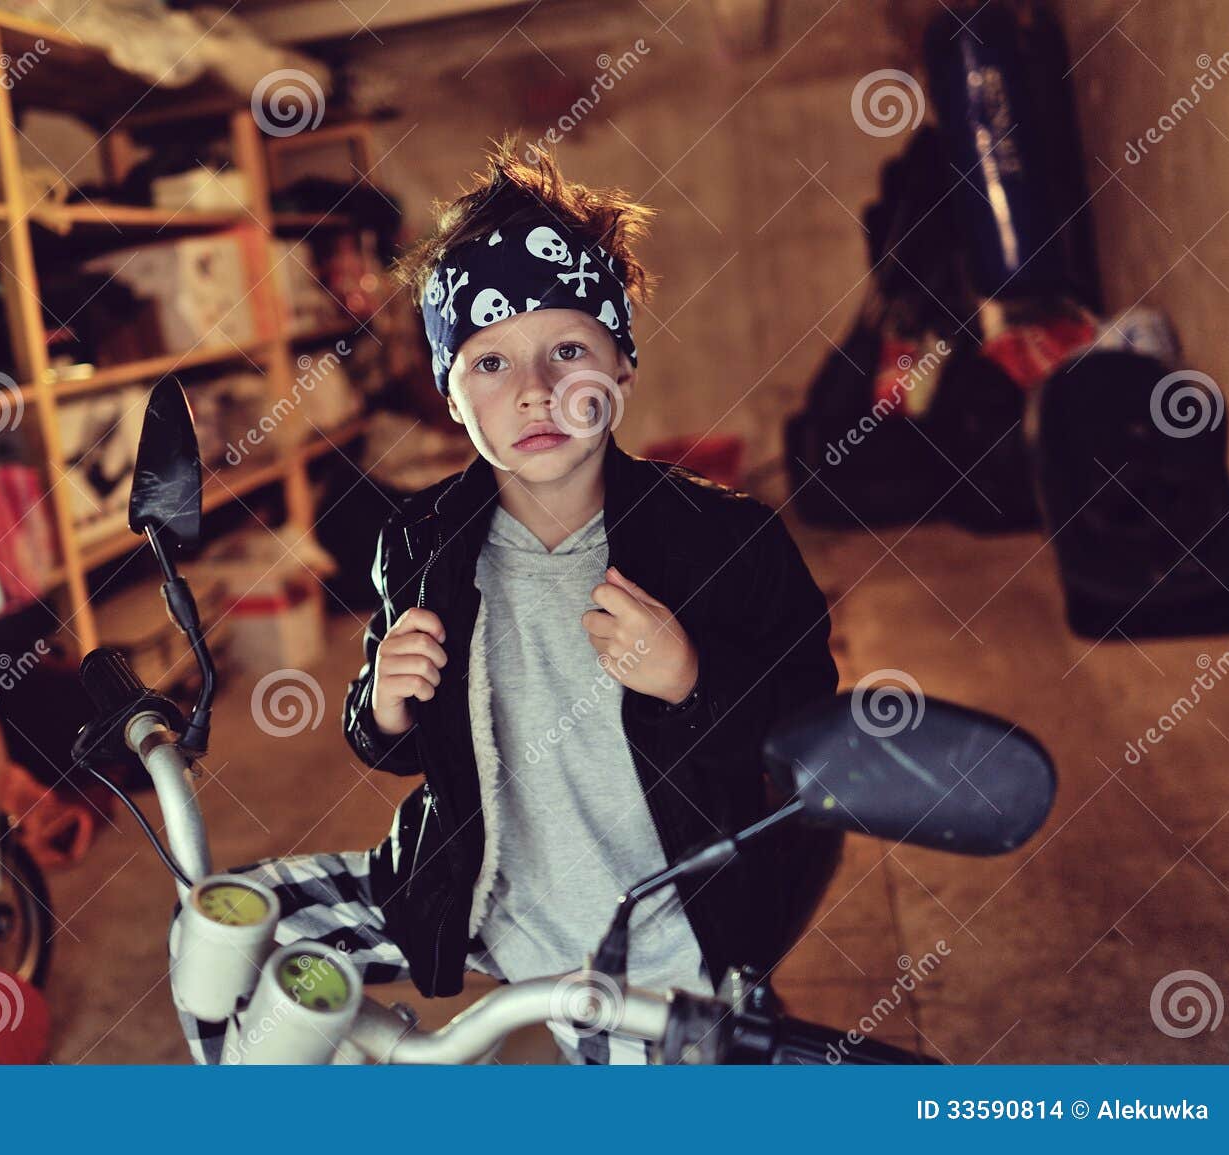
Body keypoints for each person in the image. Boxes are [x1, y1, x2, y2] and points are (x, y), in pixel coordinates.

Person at [174, 137, 842, 1064]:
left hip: (656, 946)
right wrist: (380, 705)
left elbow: (810, 735)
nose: (534, 392)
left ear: (620, 374)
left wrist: (693, 680)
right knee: (225, 934)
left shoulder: (730, 545)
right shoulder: (420, 540)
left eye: (568, 350)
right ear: (453, 397)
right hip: (477, 891)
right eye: (490, 363)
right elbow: (394, 741)